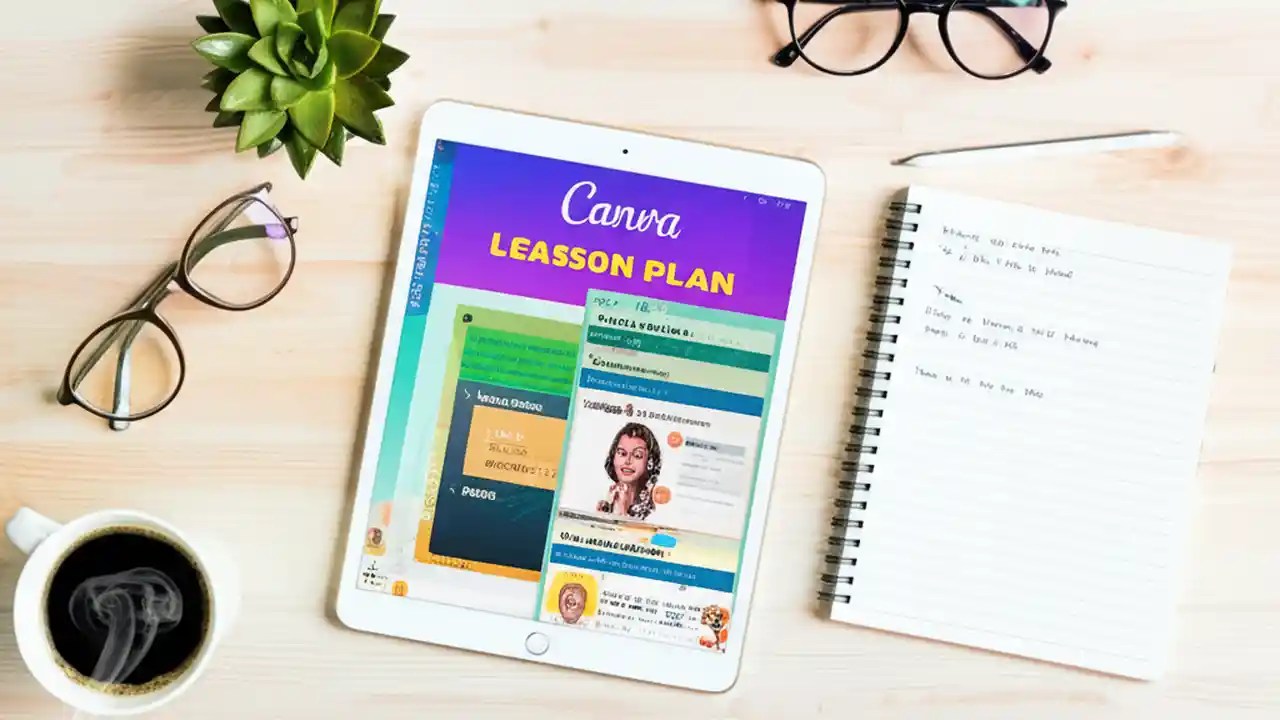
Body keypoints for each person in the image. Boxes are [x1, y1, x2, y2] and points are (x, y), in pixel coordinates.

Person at [596, 422, 662, 520]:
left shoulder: (654, 513)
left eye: (637, 455)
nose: (628, 461)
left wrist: (622, 514)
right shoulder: (603, 504)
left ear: (650, 462)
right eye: (622, 453)